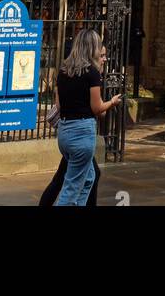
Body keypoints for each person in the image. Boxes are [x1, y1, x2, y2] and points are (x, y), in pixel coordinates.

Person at [52, 29, 121, 206]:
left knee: (89, 178)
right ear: (92, 48)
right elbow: (97, 108)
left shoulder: (63, 71)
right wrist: (112, 102)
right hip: (81, 134)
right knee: (70, 189)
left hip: (64, 133)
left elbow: (59, 106)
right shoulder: (92, 73)